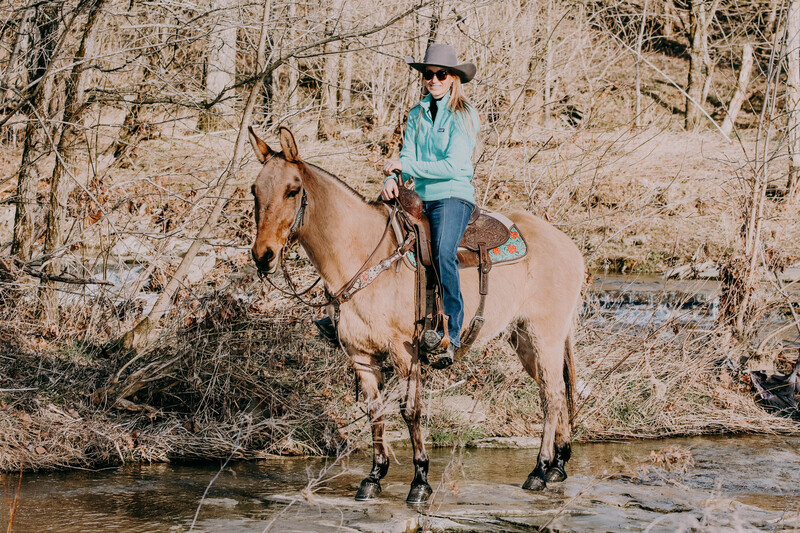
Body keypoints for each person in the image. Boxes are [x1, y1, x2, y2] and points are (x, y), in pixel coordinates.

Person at [381, 43, 480, 368]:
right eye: (429, 74)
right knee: (378, 230)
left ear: (453, 78)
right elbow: (407, 156)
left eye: (441, 74)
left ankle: (452, 331)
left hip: (452, 195)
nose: (434, 80)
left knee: (441, 252)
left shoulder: (463, 114)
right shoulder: (416, 113)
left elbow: (453, 166)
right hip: (420, 195)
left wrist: (408, 167)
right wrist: (393, 178)